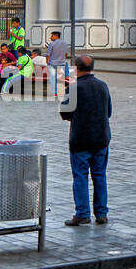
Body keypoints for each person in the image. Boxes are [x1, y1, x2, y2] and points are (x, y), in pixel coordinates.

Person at [59, 55, 112, 226]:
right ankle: (101, 213)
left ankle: (82, 213)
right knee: (100, 176)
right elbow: (108, 111)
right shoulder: (103, 85)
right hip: (101, 139)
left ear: (77, 68)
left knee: (80, 177)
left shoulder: (73, 88)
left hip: (80, 139)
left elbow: (65, 113)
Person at [45, 29, 70, 97]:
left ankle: (55, 92)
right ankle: (67, 76)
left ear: (56, 36)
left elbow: (48, 55)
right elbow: (66, 55)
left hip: (53, 64)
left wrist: (47, 63)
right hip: (62, 64)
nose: (51, 37)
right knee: (65, 65)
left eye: (52, 36)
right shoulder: (65, 43)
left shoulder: (52, 44)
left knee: (53, 78)